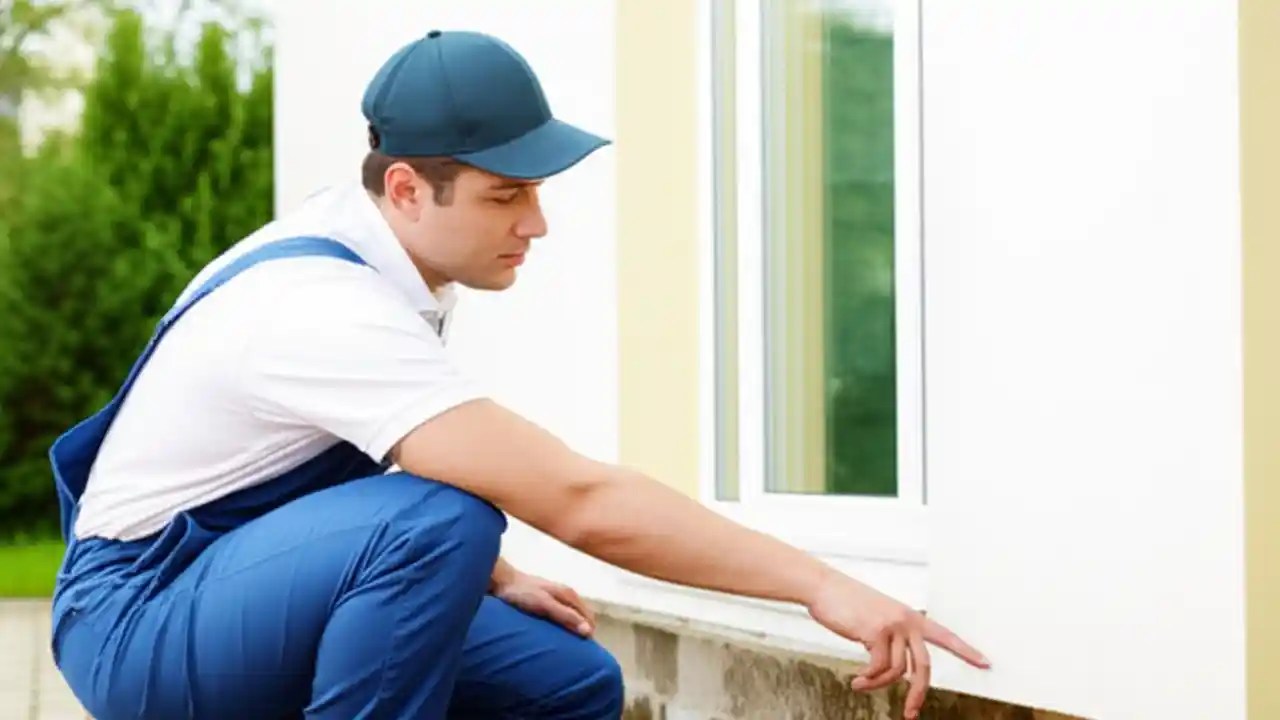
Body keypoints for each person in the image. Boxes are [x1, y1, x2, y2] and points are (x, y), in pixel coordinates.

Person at [48, 29, 988, 720]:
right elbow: (578, 499)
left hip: (223, 580)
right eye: (507, 195)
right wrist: (822, 585)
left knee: (568, 686)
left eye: (535, 191)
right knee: (439, 519)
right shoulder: (324, 308)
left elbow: (315, 465)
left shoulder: (382, 256)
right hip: (137, 623)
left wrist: (489, 577)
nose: (534, 223)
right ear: (409, 188)